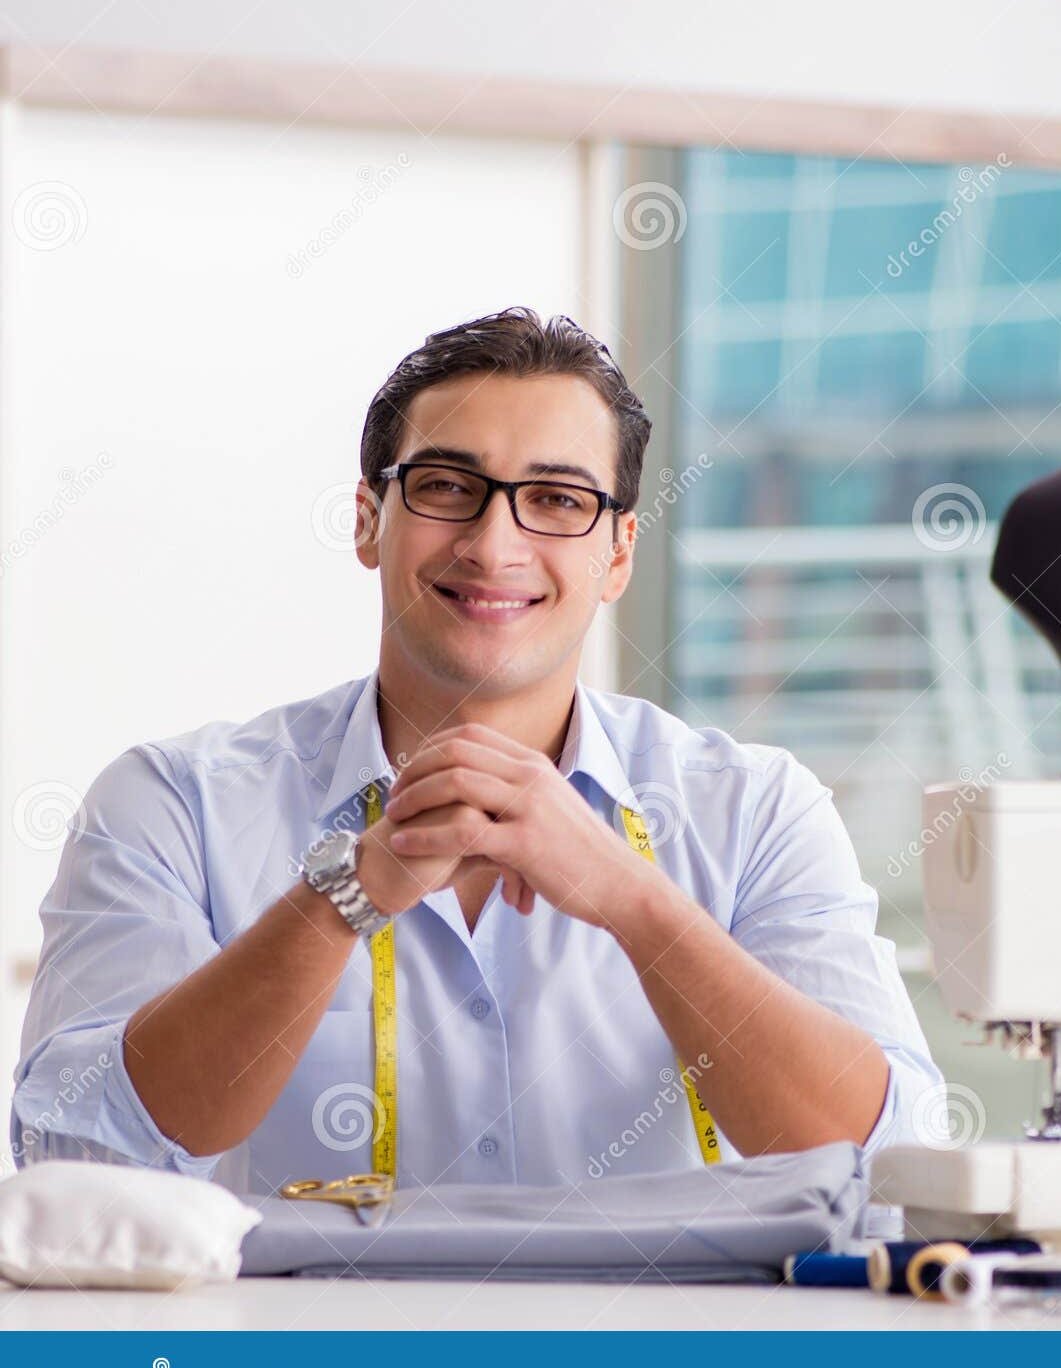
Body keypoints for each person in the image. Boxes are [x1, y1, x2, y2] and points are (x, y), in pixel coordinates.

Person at [10, 307, 942, 1196]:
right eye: (449, 488)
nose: (496, 545)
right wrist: (346, 893)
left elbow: (891, 1163)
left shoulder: (755, 811)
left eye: (556, 499)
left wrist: (633, 901)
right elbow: (81, 1157)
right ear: (371, 518)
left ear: (618, 553)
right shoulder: (172, 805)